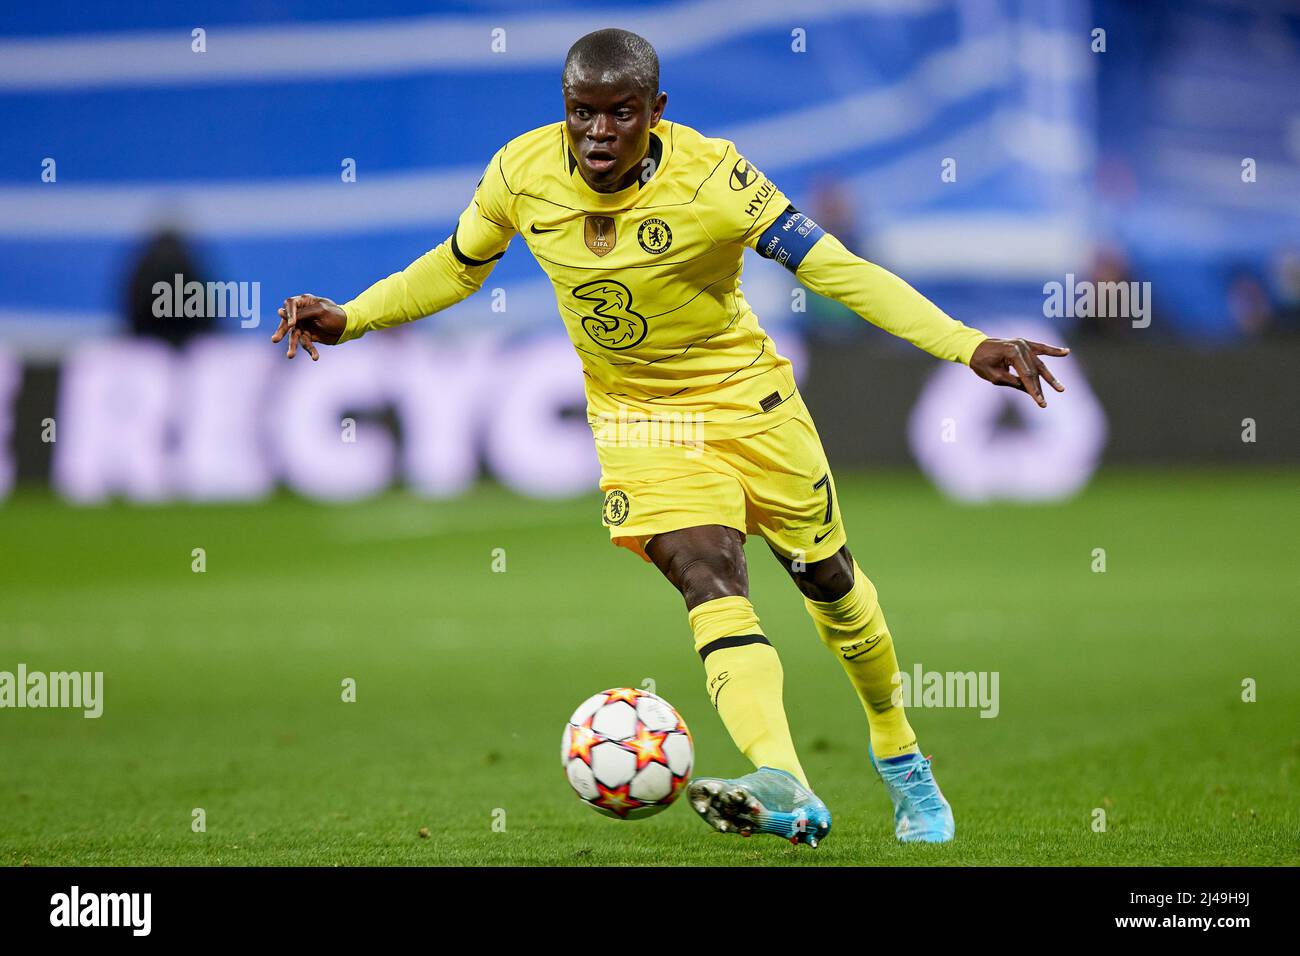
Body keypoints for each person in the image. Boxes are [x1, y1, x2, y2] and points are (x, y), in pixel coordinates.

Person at [273, 28, 1068, 847]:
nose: (599, 133)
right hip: (638, 421)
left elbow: (835, 268)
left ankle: (899, 750)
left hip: (748, 403)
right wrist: (355, 316)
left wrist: (965, 341)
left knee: (831, 587)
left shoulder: (715, 178)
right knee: (707, 574)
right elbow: (456, 264)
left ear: (656, 111)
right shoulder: (522, 172)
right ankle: (785, 781)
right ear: (565, 110)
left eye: (621, 114)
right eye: (583, 113)